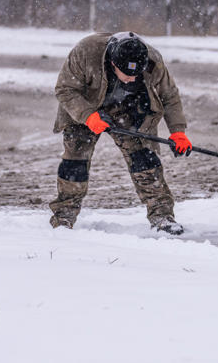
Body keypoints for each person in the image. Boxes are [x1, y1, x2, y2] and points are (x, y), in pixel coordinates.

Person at [50, 31, 193, 235]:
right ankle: (63, 217)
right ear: (113, 64)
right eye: (127, 74)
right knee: (75, 163)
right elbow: (65, 89)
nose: (131, 79)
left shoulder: (152, 61)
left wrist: (178, 132)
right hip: (85, 107)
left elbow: (169, 96)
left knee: (146, 160)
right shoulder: (86, 52)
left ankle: (162, 216)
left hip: (129, 109)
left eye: (136, 74)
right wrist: (89, 116)